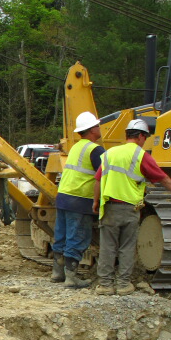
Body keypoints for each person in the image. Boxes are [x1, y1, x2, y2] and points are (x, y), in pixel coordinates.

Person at [93, 118, 171, 295]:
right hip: (129, 208)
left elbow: (98, 179)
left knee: (108, 246)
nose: (144, 141)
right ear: (140, 136)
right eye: (145, 137)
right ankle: (123, 284)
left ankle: (105, 285)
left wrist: (96, 201)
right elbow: (162, 178)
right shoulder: (141, 156)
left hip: (108, 206)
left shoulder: (110, 153)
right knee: (126, 246)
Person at [51, 111, 104, 289]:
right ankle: (71, 278)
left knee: (62, 235)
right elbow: (104, 174)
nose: (100, 128)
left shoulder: (76, 147)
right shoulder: (95, 150)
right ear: (91, 130)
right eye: (97, 126)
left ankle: (57, 272)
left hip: (64, 196)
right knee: (78, 236)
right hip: (80, 199)